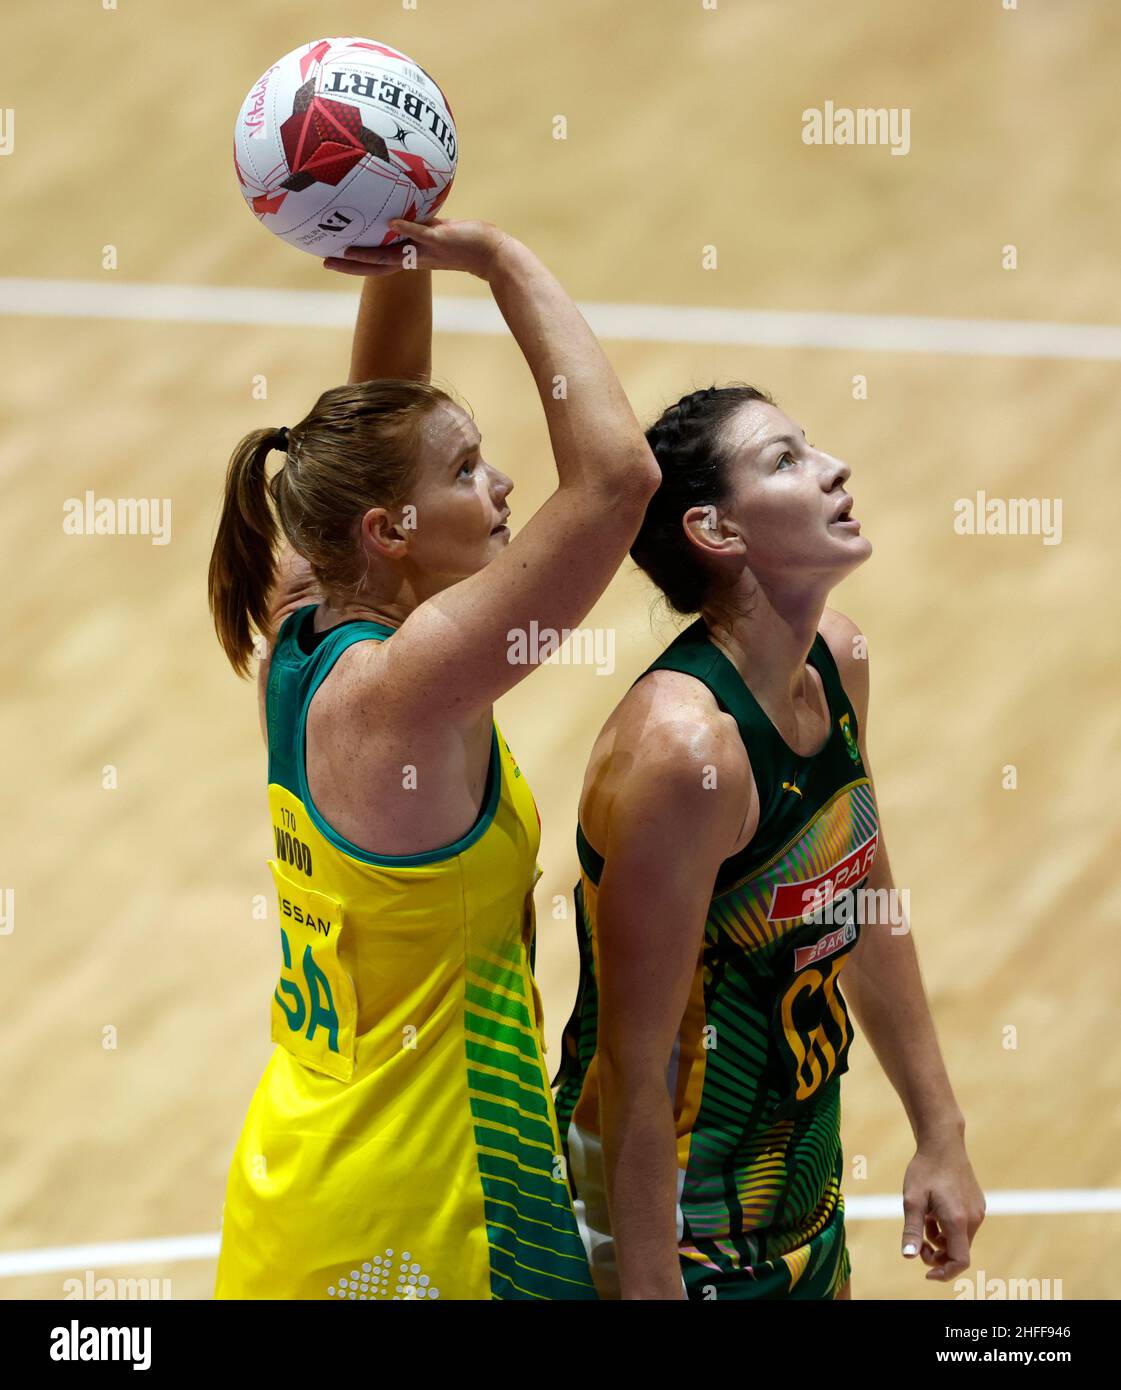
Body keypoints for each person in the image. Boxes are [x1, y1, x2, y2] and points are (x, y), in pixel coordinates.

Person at [207, 216, 660, 1300]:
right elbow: (615, 483)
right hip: (433, 1217)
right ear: (390, 532)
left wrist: (401, 247)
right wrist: (495, 260)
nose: (502, 485)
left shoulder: (304, 625)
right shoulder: (404, 694)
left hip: (304, 1179)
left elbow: (375, 428)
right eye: (468, 471)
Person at [553, 384, 985, 1300]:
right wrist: (647, 1287)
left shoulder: (838, 660)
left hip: (798, 1195)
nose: (834, 468)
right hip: (679, 1232)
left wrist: (938, 1131)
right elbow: (631, 1066)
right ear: (716, 531)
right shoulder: (685, 752)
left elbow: (861, 897)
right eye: (784, 460)